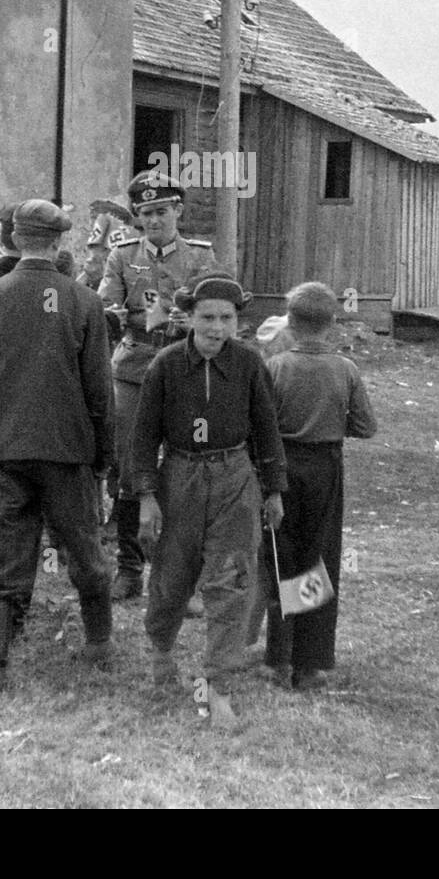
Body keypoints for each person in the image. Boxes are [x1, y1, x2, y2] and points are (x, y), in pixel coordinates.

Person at [0, 200, 113, 690]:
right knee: (85, 549)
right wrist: (104, 454)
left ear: (16, 239)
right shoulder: (84, 301)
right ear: (59, 241)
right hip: (68, 450)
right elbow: (99, 391)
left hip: (4, 447)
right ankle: (99, 645)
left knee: (0, 553)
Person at [132, 273, 287, 731]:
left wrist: (274, 489)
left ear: (238, 320)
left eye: (227, 318)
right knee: (172, 576)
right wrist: (146, 496)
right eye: (207, 318)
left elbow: (266, 429)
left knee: (232, 580)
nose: (217, 328)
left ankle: (218, 686)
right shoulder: (163, 365)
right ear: (189, 318)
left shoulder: (249, 364)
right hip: (179, 477)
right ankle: (161, 650)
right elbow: (143, 437)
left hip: (236, 479)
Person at [98, 170, 213, 601]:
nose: (154, 221)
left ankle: (187, 572)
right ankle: (129, 567)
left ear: (178, 210)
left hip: (184, 367)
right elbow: (105, 309)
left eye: (162, 211)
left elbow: (221, 304)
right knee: (130, 465)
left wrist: (194, 320)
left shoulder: (201, 256)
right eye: (146, 213)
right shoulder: (122, 255)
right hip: (133, 367)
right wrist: (139, 318)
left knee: (189, 465)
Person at [259, 282, 377, 690]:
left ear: (289, 321)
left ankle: (277, 657)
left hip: (281, 468)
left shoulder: (274, 367)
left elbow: (262, 425)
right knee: (318, 560)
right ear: (332, 323)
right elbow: (366, 427)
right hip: (325, 468)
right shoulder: (346, 369)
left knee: (280, 558)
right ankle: (310, 663)